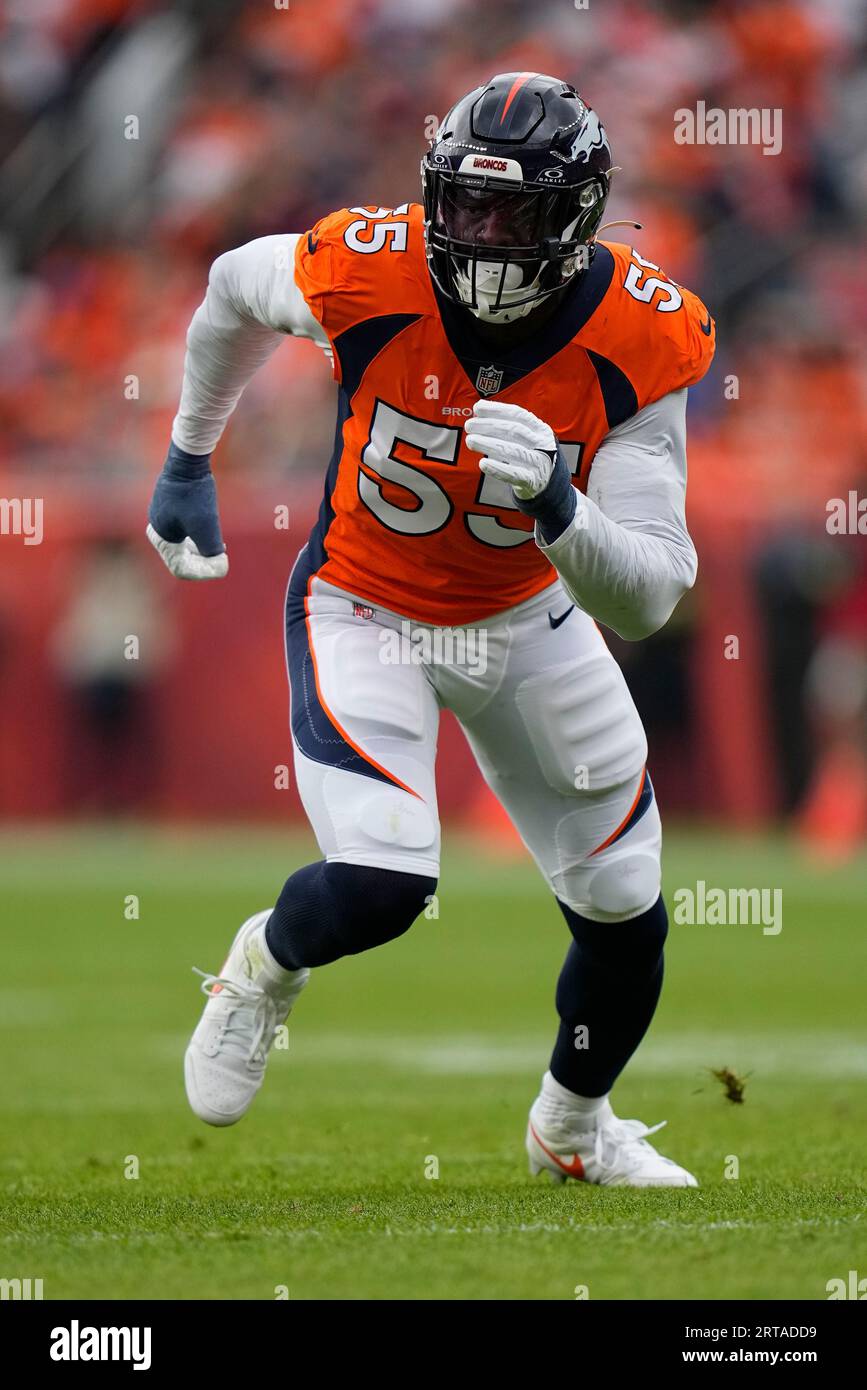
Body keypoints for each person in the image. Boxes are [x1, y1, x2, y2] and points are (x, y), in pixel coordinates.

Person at [147, 73, 715, 1186]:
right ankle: (261, 966)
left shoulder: (642, 332)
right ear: (433, 194)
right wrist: (187, 452)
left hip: (527, 612)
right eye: (468, 205)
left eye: (518, 212)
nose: (486, 235)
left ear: (580, 215)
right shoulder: (368, 262)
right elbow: (230, 291)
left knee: (625, 907)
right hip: (366, 600)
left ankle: (573, 1128)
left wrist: (560, 506)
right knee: (382, 881)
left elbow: (648, 594)